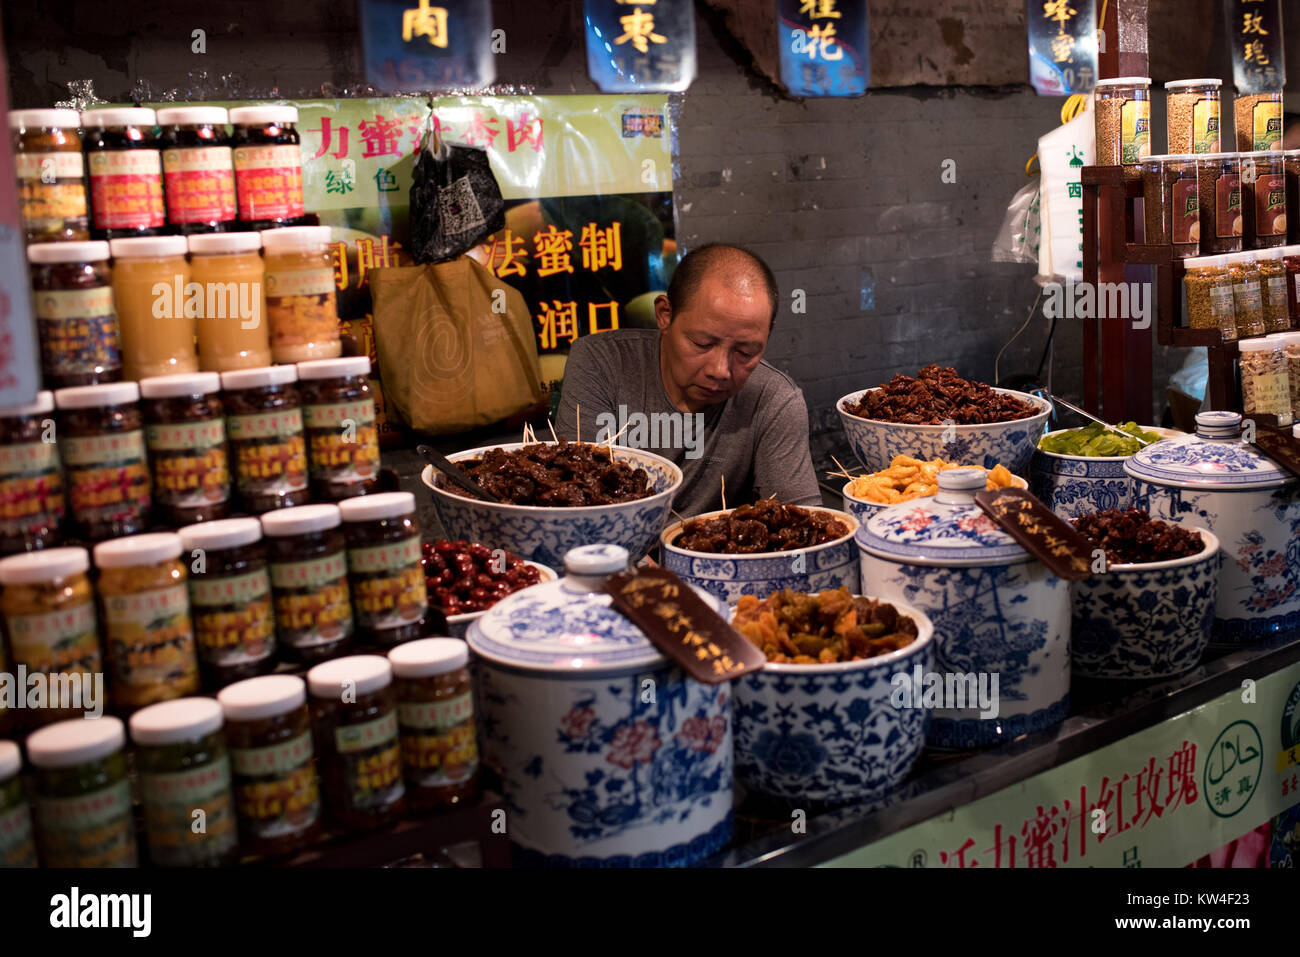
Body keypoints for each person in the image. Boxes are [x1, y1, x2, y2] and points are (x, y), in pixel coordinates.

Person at [555, 243, 821, 516]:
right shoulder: (602, 362)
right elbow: (578, 505)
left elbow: (804, 528)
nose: (720, 370)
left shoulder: (774, 398)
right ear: (665, 315)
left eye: (745, 352)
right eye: (702, 343)